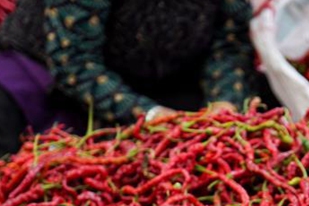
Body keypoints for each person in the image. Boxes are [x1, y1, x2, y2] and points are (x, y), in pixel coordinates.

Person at [0, 0, 264, 156]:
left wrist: (224, 101)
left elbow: (229, 41)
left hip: (162, 80)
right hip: (45, 79)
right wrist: (149, 114)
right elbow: (74, 61)